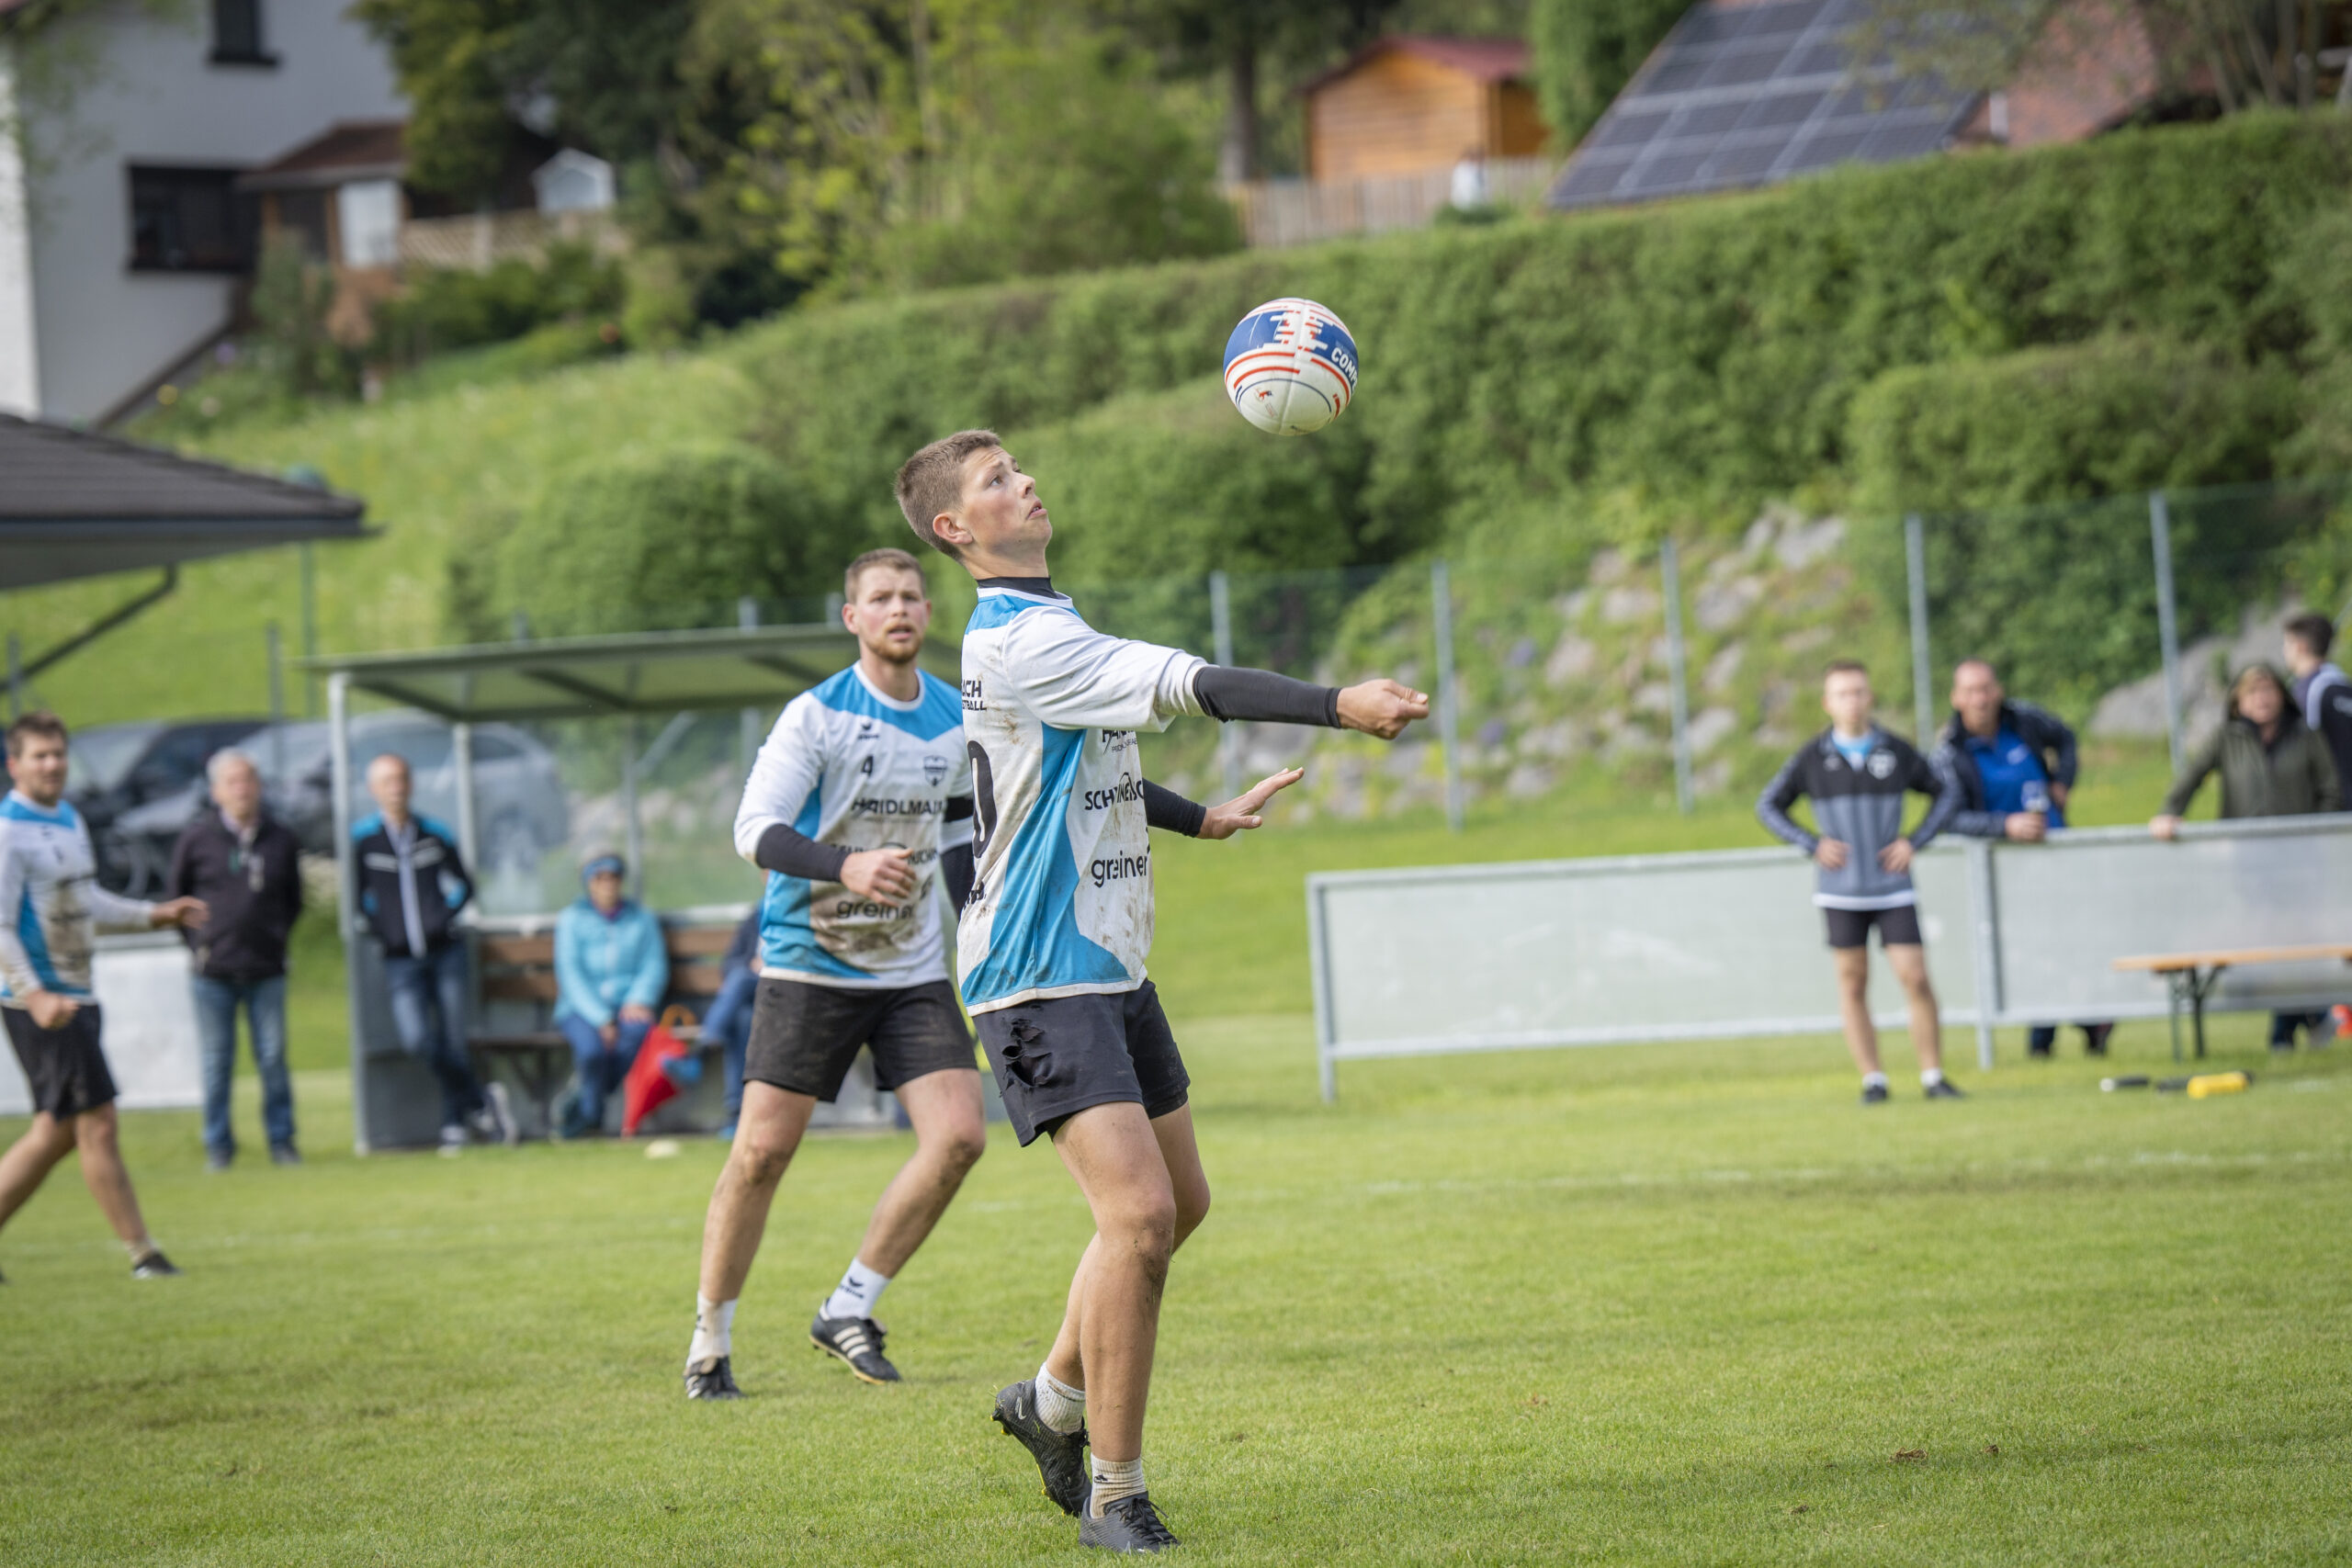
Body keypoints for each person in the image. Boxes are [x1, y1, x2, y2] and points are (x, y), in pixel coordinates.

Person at [898, 430, 1427, 1552]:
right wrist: (1339, 703)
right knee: (1135, 1218)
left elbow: (1091, 763)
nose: (1025, 481)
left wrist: (1203, 818)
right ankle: (1115, 1494)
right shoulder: (1024, 636)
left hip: (1105, 963)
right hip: (1037, 974)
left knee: (1177, 1209)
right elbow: (1188, 683)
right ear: (955, 529)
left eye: (1016, 468)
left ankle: (1047, 1405)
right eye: (996, 481)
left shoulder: (1053, 627)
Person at [684, 547, 988, 1402]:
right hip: (807, 965)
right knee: (760, 1154)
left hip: (911, 970)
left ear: (928, 614)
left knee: (961, 1137)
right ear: (851, 616)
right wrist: (845, 865)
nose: (899, 609)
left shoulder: (953, 716)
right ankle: (710, 1339)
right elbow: (755, 831)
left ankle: (849, 1305)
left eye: (911, 596)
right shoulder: (814, 717)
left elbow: (963, 842)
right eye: (880, 598)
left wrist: (983, 943)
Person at [0, 712, 207, 1281]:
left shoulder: (67, 818)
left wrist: (154, 914)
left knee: (56, 1132)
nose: (52, 764)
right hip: (39, 1001)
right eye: (39, 755)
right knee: (98, 1121)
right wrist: (34, 994)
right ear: (14, 764)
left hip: (77, 994)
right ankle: (144, 1255)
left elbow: (85, 900)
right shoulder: (7, 829)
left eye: (58, 753)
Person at [1758, 660, 1963, 1106]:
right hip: (1840, 890)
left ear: (1870, 697)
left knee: (1915, 977)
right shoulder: (1813, 758)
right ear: (1827, 703)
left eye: (1859, 692)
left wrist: (1915, 840)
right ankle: (1874, 1079)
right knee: (1852, 982)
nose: (1852, 701)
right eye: (1842, 694)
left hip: (1892, 887)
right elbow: (1768, 805)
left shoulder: (1895, 751)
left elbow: (1946, 793)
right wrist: (1811, 843)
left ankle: (1932, 1074)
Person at [2150, 662, 2341, 1052]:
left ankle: (2288, 1028)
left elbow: (2331, 789)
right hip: (2251, 865)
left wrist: (2314, 834)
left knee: (2298, 941)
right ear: (2238, 702)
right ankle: (2306, 1019)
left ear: (2281, 696)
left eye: (2268, 691)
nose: (2262, 699)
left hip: (2301, 864)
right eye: (2253, 693)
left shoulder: (2305, 736)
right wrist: (2170, 811)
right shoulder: (2228, 738)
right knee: (2267, 943)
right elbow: (2193, 776)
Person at [1931, 660, 2113, 1059]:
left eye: (1986, 689)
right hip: (2004, 868)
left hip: (2056, 856)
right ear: (1956, 698)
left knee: (2070, 944)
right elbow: (1949, 819)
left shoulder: (2025, 722)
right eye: (1971, 691)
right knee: (2032, 950)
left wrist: (2062, 781)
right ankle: (2071, 1028)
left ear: (1998, 691)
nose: (1980, 698)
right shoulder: (1949, 753)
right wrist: (2004, 826)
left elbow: (2065, 738)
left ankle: (2067, 1030)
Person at [354, 752, 513, 1153]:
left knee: (454, 1041)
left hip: (446, 953)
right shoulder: (365, 840)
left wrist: (443, 917)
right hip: (400, 959)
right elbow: (359, 898)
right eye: (387, 781)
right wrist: (383, 930)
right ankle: (479, 1101)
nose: (395, 788)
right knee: (418, 1040)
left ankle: (453, 1124)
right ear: (374, 789)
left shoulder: (434, 832)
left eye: (401, 779)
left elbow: (464, 885)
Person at [169, 748, 305, 1169]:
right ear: (216, 791)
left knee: (273, 1057)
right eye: (233, 781)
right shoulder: (197, 839)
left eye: (248, 780)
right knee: (216, 1062)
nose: (242, 789)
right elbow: (176, 900)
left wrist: (277, 938)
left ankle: (282, 1142)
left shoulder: (281, 838)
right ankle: (219, 1146)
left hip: (266, 968)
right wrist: (198, 944)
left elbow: (294, 901)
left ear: (259, 786)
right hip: (214, 971)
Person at [554, 852, 668, 1138]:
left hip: (628, 1005)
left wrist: (639, 999)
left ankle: (582, 1105)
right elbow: (571, 975)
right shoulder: (571, 920)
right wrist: (601, 1018)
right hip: (579, 1008)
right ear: (588, 882)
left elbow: (653, 963)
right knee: (592, 1051)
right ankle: (591, 1116)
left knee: (635, 1034)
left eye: (614, 877)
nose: (608, 884)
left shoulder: (641, 918)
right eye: (600, 878)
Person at [695, 908, 762, 1140]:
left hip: (783, 991)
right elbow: (731, 961)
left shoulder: (800, 908)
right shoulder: (758, 914)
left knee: (741, 979)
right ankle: (736, 1116)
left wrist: (772, 963)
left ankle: (701, 1049)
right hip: (749, 1001)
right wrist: (751, 964)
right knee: (740, 1021)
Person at [2282, 611, 2352, 810]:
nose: (2284, 651)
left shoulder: (2308, 692)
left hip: (2329, 805)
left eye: (2286, 644)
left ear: (2300, 646)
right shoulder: (2343, 683)